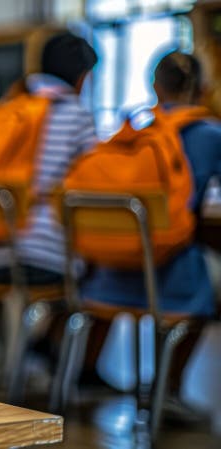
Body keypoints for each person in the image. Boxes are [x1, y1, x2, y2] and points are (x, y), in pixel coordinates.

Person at [80, 51, 220, 392]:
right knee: (210, 289)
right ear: (201, 88)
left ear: (154, 85)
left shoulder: (135, 126)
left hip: (111, 272)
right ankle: (168, 388)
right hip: (172, 274)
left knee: (114, 261)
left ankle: (86, 371)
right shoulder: (210, 134)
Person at [0, 32, 98, 285]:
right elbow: (90, 187)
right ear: (82, 78)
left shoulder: (4, 111)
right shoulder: (77, 116)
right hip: (42, 256)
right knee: (93, 277)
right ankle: (50, 325)